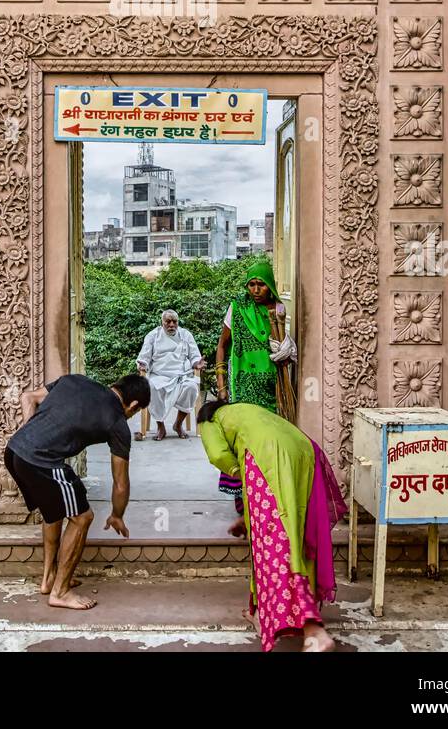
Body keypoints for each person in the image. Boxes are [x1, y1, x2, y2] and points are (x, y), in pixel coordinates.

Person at [197, 397, 346, 653]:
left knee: (278, 547)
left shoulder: (210, 421)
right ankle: (260, 612)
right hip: (304, 451)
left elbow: (218, 454)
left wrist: (237, 471)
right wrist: (247, 518)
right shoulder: (250, 410)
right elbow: (280, 506)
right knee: (293, 535)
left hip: (268, 457)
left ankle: (314, 631)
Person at [5, 371, 150, 611]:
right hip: (41, 460)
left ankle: (49, 579)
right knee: (82, 517)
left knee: (55, 509)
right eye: (135, 412)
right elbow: (121, 483)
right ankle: (60, 592)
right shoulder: (117, 422)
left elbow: (28, 397)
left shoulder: (76, 380)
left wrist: (30, 436)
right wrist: (117, 515)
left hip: (14, 451)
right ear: (134, 405)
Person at [213, 257, 296, 534]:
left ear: (270, 285)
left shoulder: (280, 309)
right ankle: (243, 498)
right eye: (252, 284)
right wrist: (222, 382)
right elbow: (222, 346)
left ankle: (266, 497)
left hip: (273, 388)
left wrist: (286, 349)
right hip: (244, 384)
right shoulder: (237, 308)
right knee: (243, 441)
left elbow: (287, 347)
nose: (256, 289)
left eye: (261, 284)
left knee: (267, 442)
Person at [135, 310, 206, 440]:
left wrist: (196, 363)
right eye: (168, 321)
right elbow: (144, 356)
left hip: (181, 375)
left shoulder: (186, 335)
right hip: (159, 374)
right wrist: (143, 365)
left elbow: (195, 355)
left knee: (191, 387)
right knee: (151, 387)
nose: (172, 325)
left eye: (175, 322)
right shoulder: (153, 336)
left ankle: (178, 425)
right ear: (162, 323)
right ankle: (160, 426)